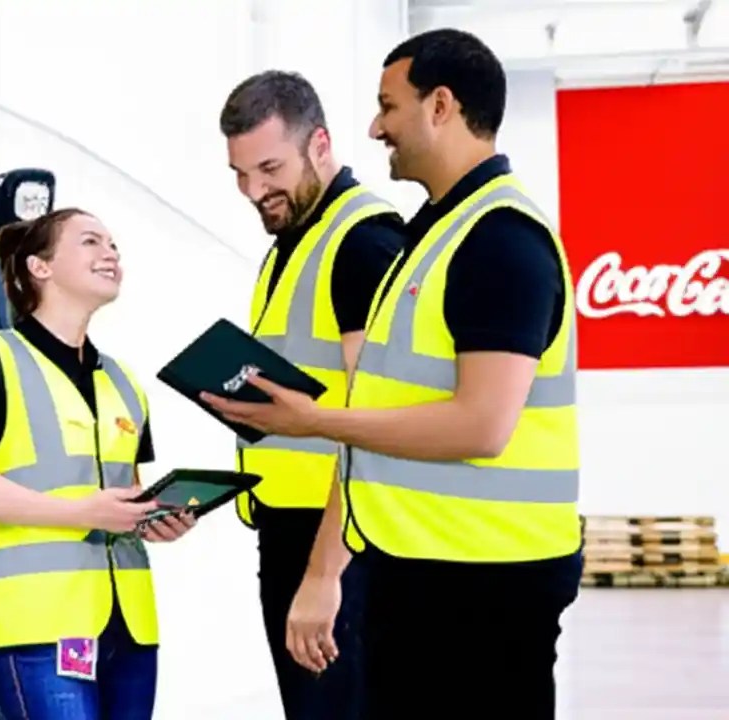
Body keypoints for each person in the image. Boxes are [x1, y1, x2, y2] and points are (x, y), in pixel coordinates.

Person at [204, 28, 582, 720]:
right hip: (416, 565)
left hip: (486, 578)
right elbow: (383, 406)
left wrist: (313, 429)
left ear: (441, 106)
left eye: (388, 105)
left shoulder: (497, 239)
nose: (376, 126)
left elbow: (483, 423)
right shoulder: (431, 236)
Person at [0, 207, 196, 720]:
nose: (110, 253)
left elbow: (127, 496)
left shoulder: (123, 381)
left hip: (130, 626)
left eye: (114, 244)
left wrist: (155, 520)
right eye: (91, 242)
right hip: (39, 622)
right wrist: (84, 512)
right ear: (40, 267)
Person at [217, 70, 406, 719]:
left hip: (341, 540)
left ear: (320, 144)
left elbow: (381, 427)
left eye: (269, 168)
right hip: (291, 526)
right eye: (240, 174)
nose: (253, 191)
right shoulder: (289, 246)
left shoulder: (362, 243)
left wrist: (325, 575)